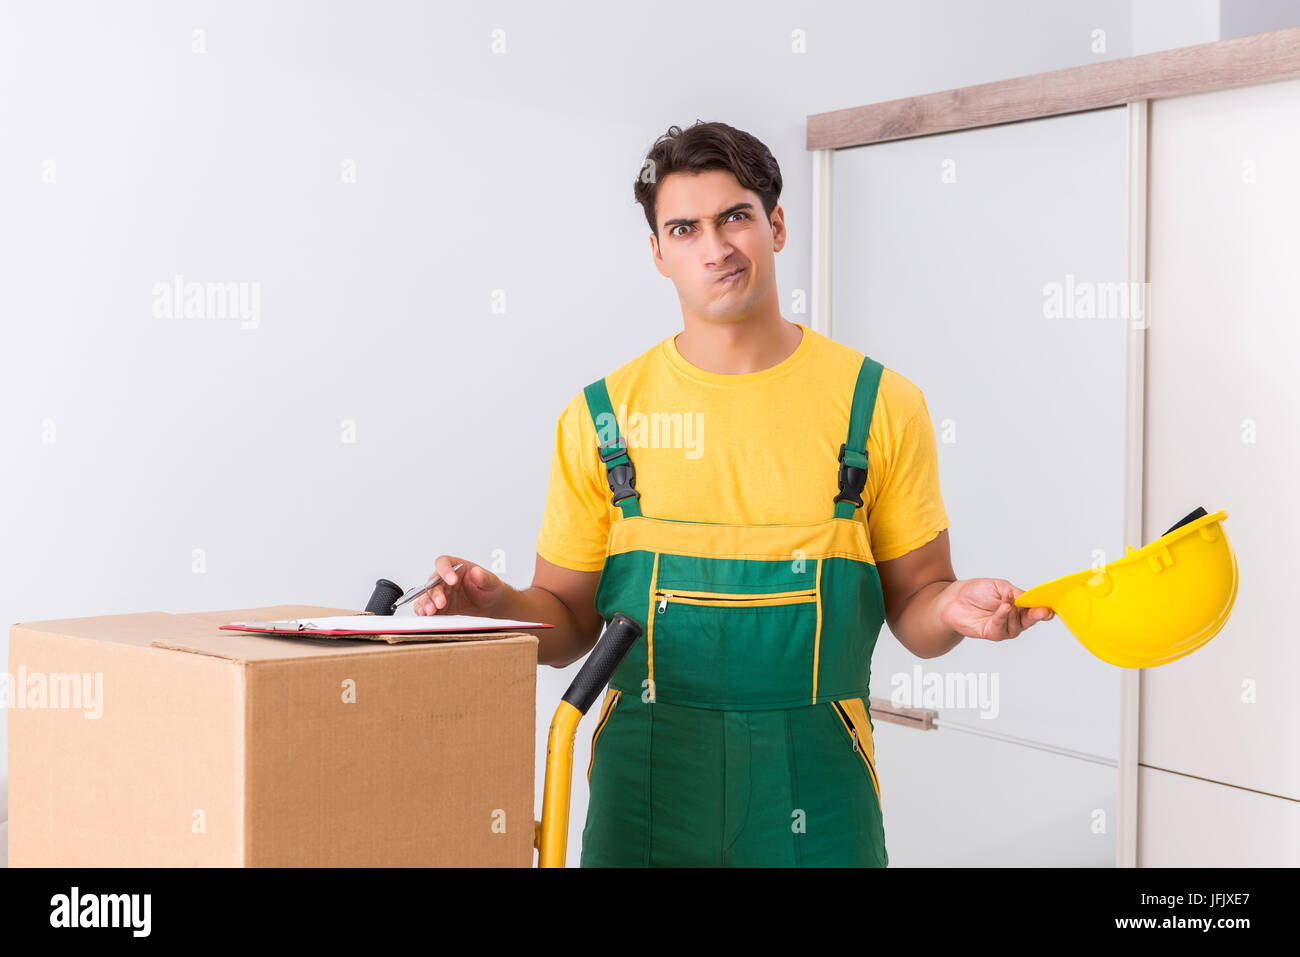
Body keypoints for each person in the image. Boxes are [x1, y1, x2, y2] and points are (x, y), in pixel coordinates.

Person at [414, 120, 1054, 867]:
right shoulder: (601, 418)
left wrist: (949, 608)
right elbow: (566, 630)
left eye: (735, 217)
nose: (714, 247)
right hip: (646, 782)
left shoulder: (877, 403)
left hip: (820, 784)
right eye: (684, 228)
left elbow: (916, 608)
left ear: (776, 226)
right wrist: (492, 609)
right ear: (658, 252)